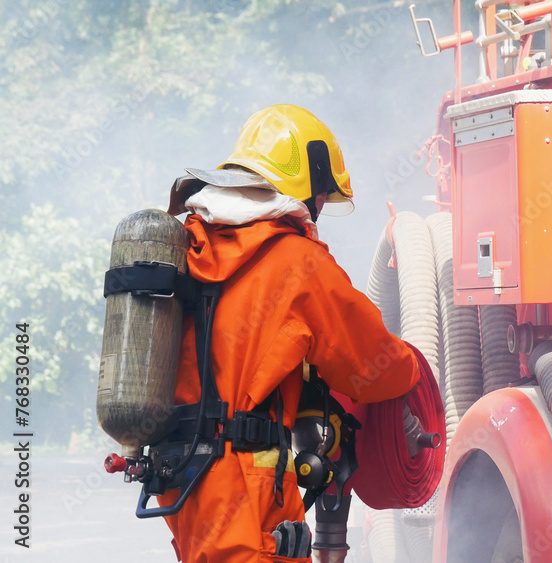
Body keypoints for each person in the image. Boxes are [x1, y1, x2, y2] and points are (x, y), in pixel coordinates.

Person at [161, 104, 424, 562]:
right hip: (246, 478)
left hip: (179, 473)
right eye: (323, 195)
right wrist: (414, 371)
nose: (320, 208)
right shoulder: (297, 263)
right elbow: (373, 365)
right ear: (308, 184)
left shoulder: (193, 241)